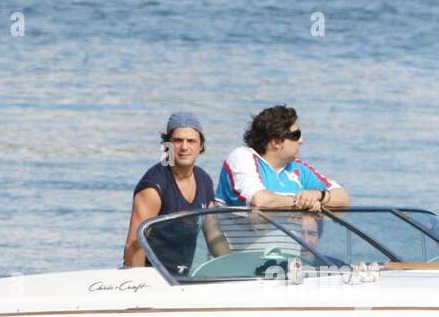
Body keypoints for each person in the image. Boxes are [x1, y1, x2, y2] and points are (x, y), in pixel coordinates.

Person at [123, 111, 228, 272]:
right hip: (155, 278)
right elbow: (134, 243)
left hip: (186, 276)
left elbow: (213, 234)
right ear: (167, 145)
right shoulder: (154, 185)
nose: (184, 147)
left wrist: (232, 264)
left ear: (200, 146)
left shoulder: (204, 179)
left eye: (191, 141)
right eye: (178, 140)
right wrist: (137, 284)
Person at [215, 105, 351, 211]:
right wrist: (301, 202)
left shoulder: (299, 168)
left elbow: (343, 199)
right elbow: (260, 201)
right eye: (296, 135)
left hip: (291, 246)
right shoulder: (242, 157)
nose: (301, 140)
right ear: (276, 142)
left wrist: (318, 196)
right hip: (240, 246)